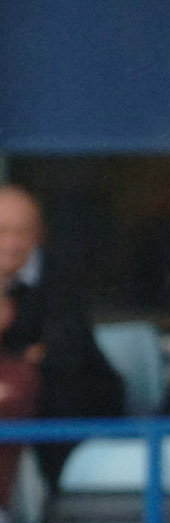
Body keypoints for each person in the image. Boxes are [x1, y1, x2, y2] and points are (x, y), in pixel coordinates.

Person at [0, 184, 127, 494]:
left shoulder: (62, 279)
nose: (12, 243)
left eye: (22, 232)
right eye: (2, 231)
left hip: (72, 407)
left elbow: (59, 356)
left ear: (38, 235)